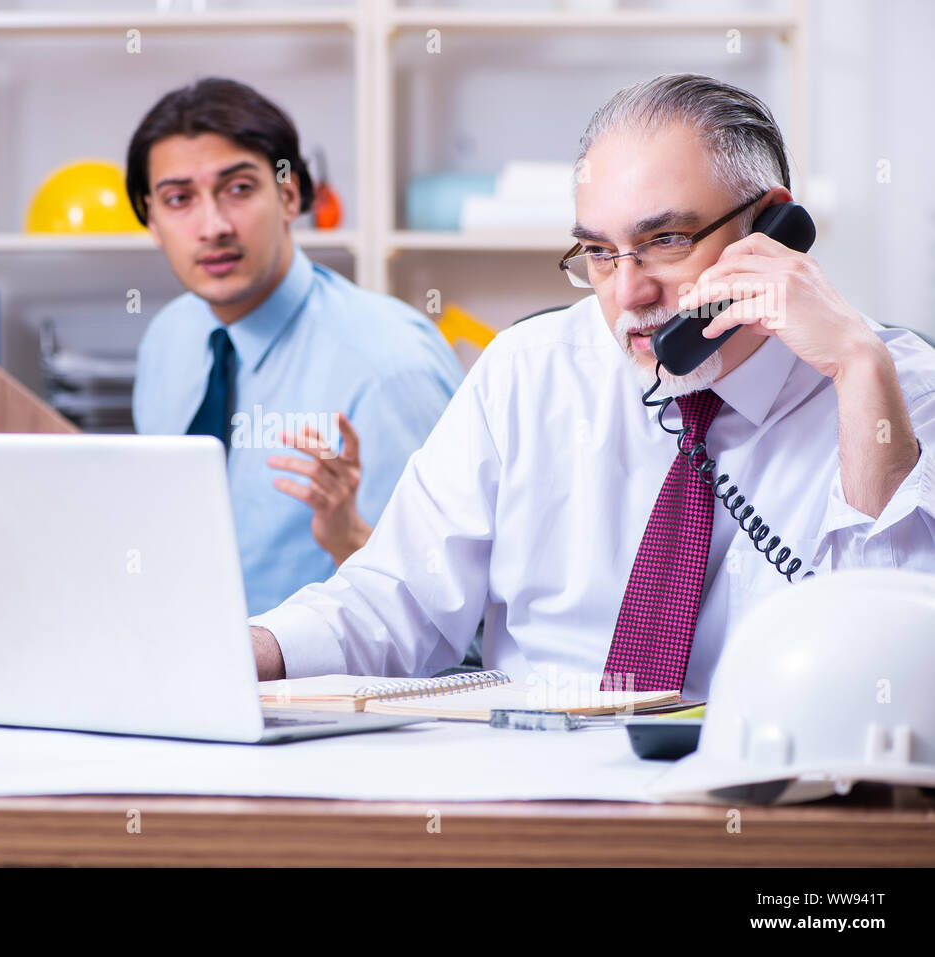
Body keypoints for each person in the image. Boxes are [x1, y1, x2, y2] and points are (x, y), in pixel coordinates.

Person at [249, 73, 935, 699]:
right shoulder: (529, 370)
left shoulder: (894, 386)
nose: (629, 293)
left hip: (775, 794)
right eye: (600, 254)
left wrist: (858, 370)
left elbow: (895, 666)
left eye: (667, 239)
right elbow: (392, 600)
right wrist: (250, 651)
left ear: (772, 227)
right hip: (539, 788)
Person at [127, 77, 463, 617]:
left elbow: (453, 612)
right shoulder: (168, 340)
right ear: (151, 218)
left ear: (288, 195)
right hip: (171, 668)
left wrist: (348, 535)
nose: (212, 227)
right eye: (178, 199)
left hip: (321, 692)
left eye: (238, 189)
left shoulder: (389, 363)